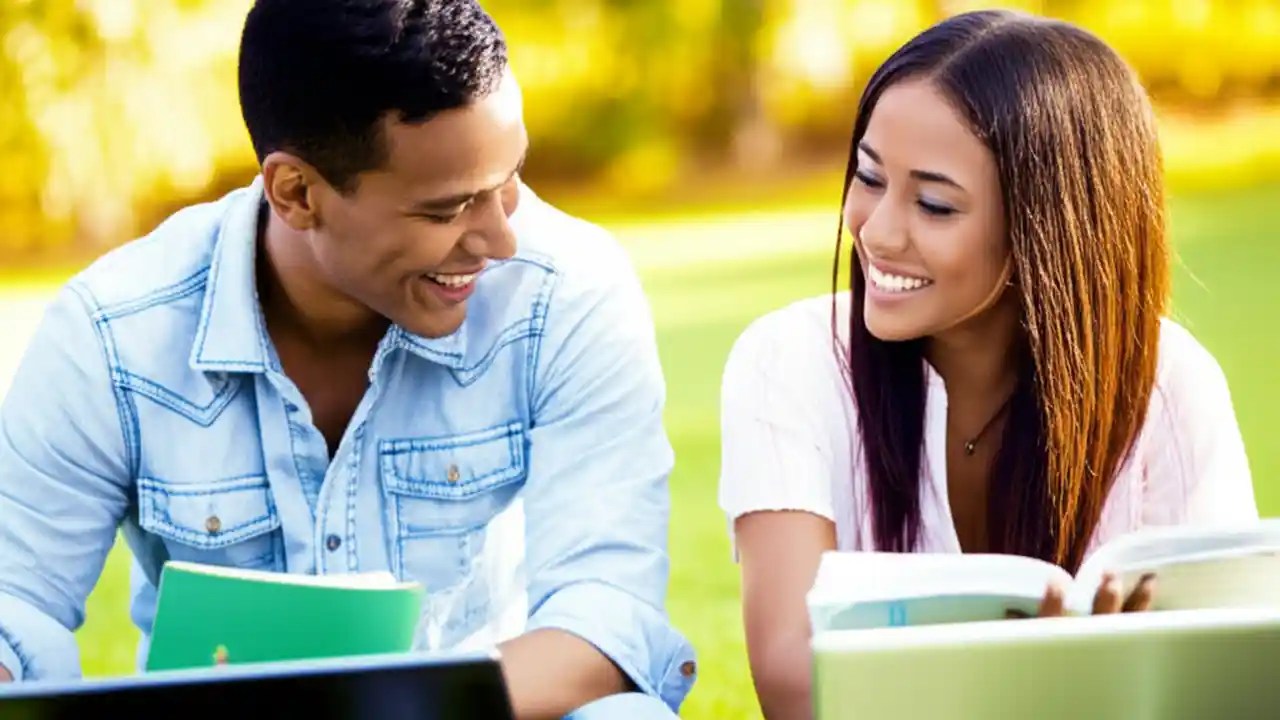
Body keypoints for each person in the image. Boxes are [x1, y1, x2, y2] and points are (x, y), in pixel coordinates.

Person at [0, 1, 695, 718]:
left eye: (510, 177)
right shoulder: (112, 335)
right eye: (446, 210)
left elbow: (603, 618)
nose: (500, 239)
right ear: (297, 193)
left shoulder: (562, 292)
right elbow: (15, 600)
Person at [717, 9, 1258, 720]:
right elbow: (795, 688)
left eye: (934, 205)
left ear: (1047, 225)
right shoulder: (789, 362)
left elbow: (1228, 678)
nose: (877, 232)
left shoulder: (1172, 384)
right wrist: (1056, 684)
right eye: (869, 177)